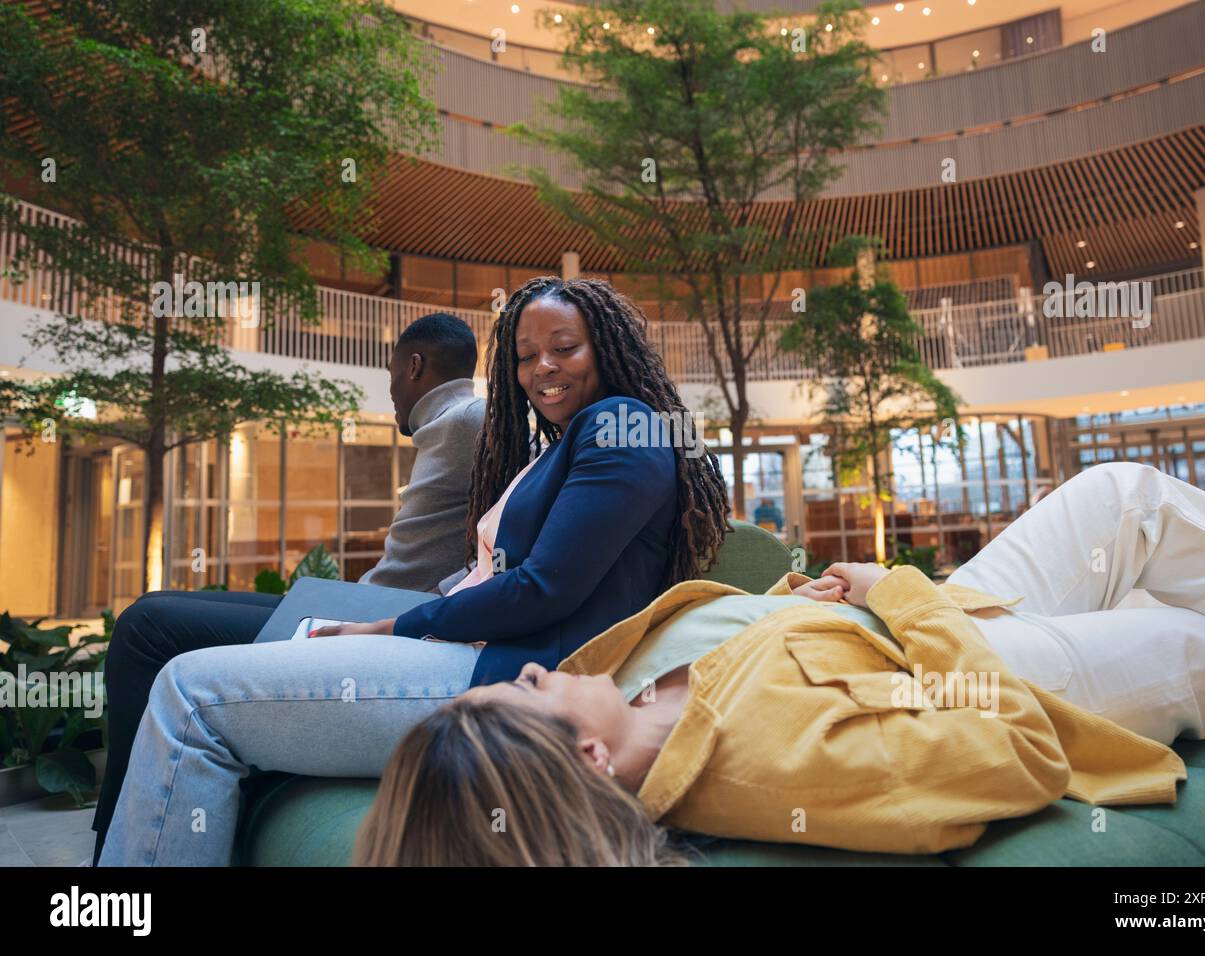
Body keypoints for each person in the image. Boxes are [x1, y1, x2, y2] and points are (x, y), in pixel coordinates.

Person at [355, 461, 1205, 865]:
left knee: (1124, 496)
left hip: (909, 611)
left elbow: (759, 653)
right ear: (593, 763)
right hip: (995, 666)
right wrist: (897, 596)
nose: (532, 672)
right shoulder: (770, 768)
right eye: (529, 694)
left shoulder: (634, 691)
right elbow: (1012, 746)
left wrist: (796, 608)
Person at [97, 276, 733, 866]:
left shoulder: (621, 428)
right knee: (180, 642)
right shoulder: (564, 443)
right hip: (476, 645)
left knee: (190, 692)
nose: (542, 368)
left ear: (609, 348)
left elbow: (545, 588)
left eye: (564, 347)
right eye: (524, 354)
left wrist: (395, 626)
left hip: (507, 669)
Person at [91, 312, 485, 863]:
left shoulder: (464, 418)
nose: (391, 390)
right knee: (153, 606)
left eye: (393, 373)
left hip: (386, 615)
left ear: (415, 366)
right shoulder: (462, 420)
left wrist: (353, 609)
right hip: (363, 601)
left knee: (144, 629)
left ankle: (110, 840)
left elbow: (419, 573)